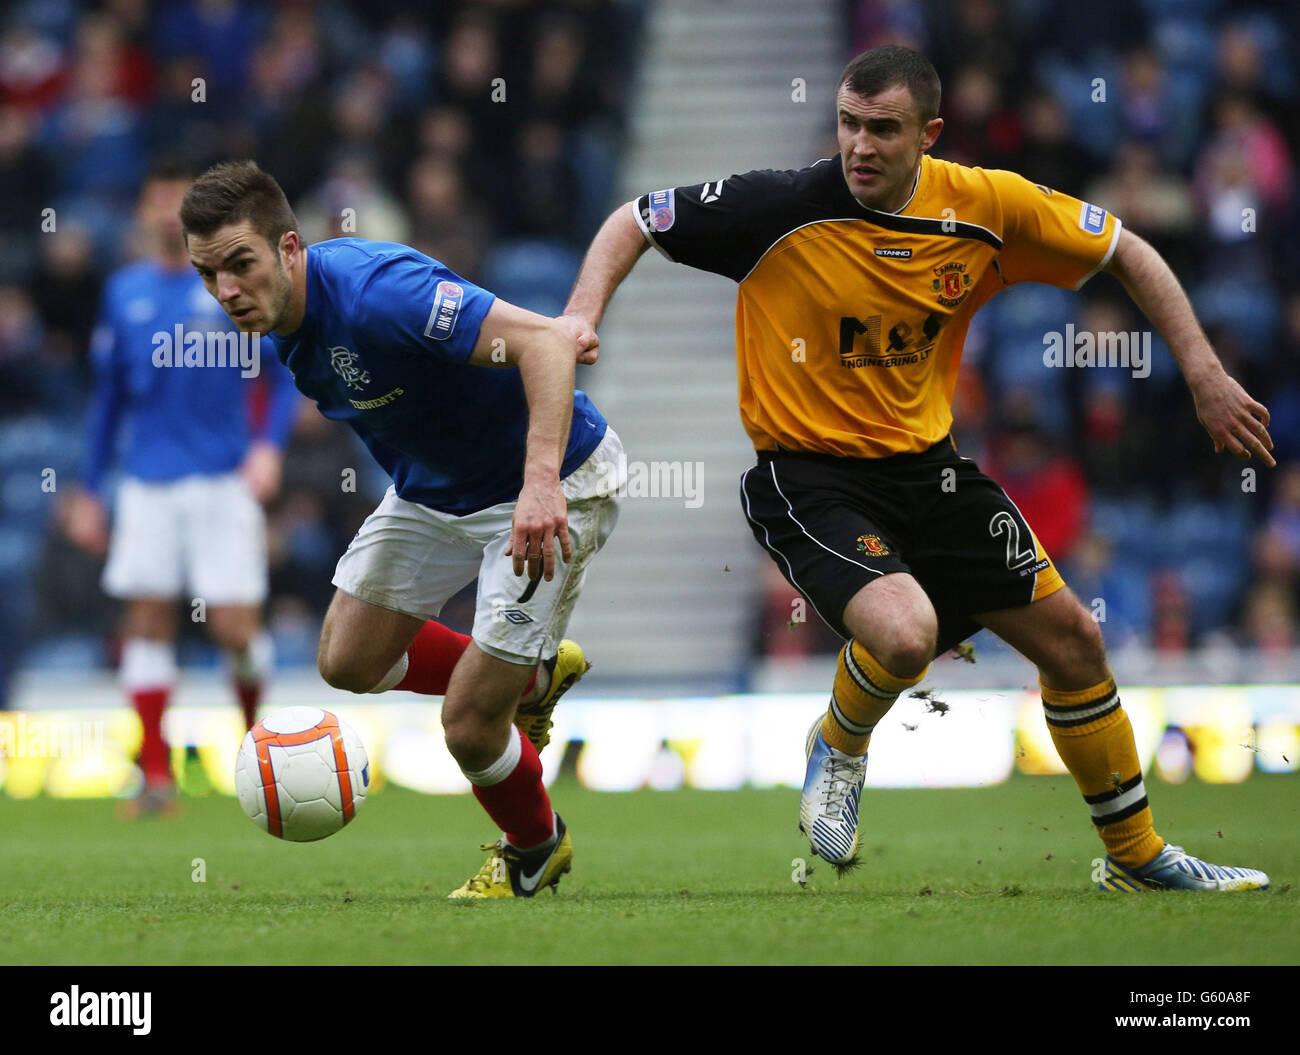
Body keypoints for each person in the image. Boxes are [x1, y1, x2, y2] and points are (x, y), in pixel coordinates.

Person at [563, 46, 1274, 892]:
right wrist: (579, 315)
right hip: (808, 476)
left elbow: (1127, 250)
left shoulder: (984, 205)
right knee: (906, 633)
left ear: (928, 135)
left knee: (1077, 643)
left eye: (883, 130)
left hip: (930, 472)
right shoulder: (782, 207)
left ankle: (1138, 857)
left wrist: (1200, 369)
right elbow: (634, 219)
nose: (859, 146)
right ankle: (839, 740)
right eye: (848, 125)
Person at [180, 160, 621, 898]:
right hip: (435, 490)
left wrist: (540, 481)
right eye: (207, 274)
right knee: (347, 658)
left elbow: (547, 344)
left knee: (470, 726)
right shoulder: (281, 323)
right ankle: (534, 679)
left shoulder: (379, 294)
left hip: (552, 478)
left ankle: (535, 847)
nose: (226, 290)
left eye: (240, 264)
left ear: (290, 247)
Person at [64, 159, 299, 813]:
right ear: (142, 211)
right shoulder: (124, 292)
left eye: (177, 201)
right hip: (146, 483)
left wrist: (267, 449)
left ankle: (256, 755)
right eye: (157, 199)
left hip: (223, 480)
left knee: (232, 627)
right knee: (146, 621)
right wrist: (88, 486)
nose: (165, 212)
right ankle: (155, 775)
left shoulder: (228, 286)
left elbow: (278, 372)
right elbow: (107, 399)